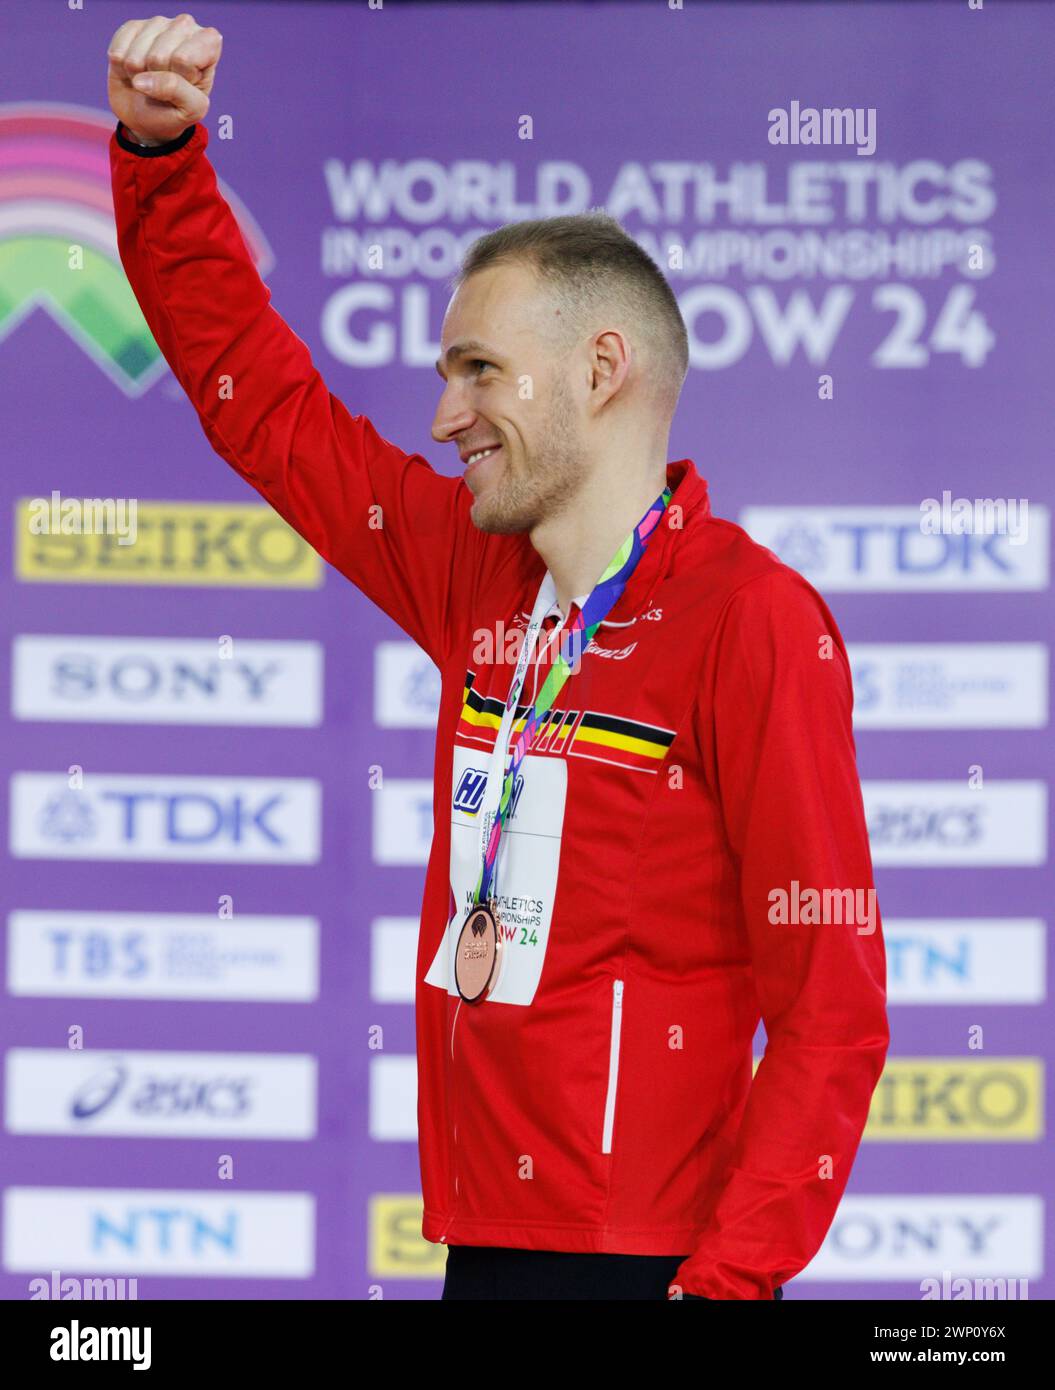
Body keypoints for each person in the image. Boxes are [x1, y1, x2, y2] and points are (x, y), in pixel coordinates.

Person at [106, 14, 890, 1301]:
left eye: (480, 371)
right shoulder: (477, 573)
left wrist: (730, 1282)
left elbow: (831, 1005)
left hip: (650, 1266)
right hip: (480, 1238)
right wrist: (161, 152)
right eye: (444, 372)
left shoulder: (749, 619)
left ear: (599, 369)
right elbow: (262, 401)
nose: (442, 414)